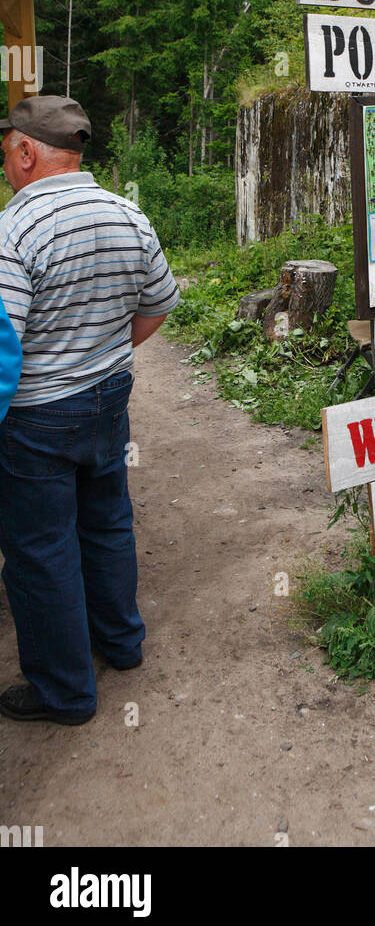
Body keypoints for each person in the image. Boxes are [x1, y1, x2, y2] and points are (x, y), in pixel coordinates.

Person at [0, 96, 180, 725]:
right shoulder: (130, 214)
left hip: (36, 418)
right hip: (109, 399)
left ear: (26, 151)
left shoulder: (14, 228)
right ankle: (122, 643)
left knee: (39, 550)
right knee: (106, 523)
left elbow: (5, 343)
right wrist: (104, 349)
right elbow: (158, 303)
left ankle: (64, 692)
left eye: (6, 151)